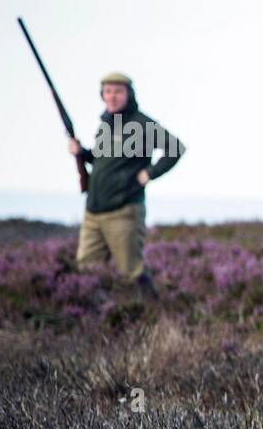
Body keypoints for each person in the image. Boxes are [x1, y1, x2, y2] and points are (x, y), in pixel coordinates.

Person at [66, 72, 186, 299]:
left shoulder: (141, 124)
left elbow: (175, 148)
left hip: (123, 212)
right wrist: (82, 153)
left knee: (132, 271)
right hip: (94, 213)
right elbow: (103, 160)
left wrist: (149, 173)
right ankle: (94, 318)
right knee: (87, 269)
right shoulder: (107, 124)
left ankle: (153, 317)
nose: (112, 97)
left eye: (118, 91)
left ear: (129, 94)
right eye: (108, 91)